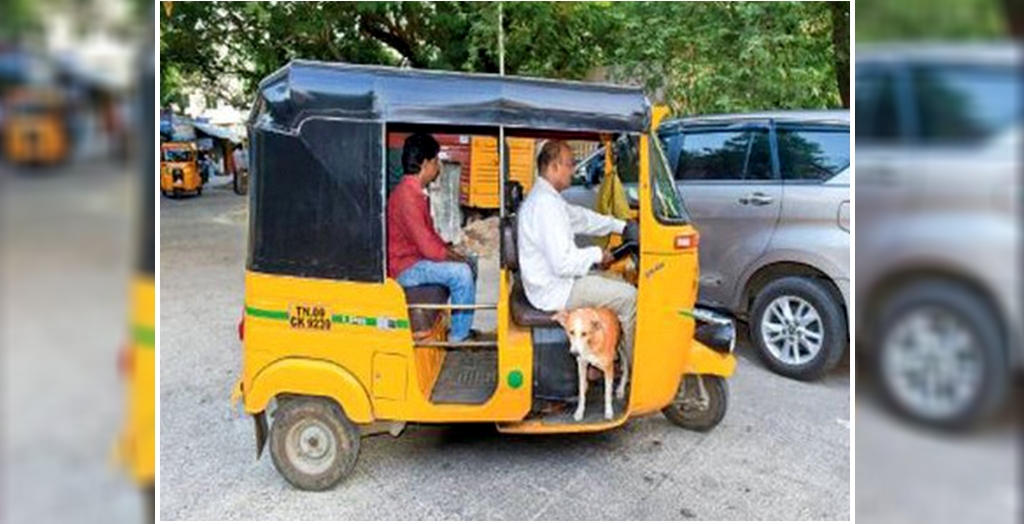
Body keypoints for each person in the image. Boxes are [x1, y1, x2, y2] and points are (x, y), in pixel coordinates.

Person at [517, 140, 637, 367]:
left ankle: (599, 357)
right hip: (555, 290)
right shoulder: (545, 205)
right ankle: (631, 368)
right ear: (554, 167)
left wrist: (620, 226)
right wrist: (597, 255)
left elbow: (580, 218)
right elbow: (564, 263)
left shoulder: (548, 199)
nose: (574, 170)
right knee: (630, 297)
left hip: (555, 283)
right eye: (570, 164)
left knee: (615, 280)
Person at [387, 133, 476, 342]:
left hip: (414, 259)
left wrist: (453, 251)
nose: (438, 166)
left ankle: (459, 327)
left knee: (470, 262)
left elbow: (430, 237)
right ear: (425, 163)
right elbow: (429, 248)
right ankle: (459, 337)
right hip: (404, 267)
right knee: (462, 272)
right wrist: (454, 257)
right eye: (436, 161)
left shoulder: (414, 193)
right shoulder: (407, 197)